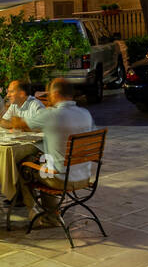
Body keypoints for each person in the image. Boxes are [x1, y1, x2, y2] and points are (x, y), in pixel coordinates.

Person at [19, 78, 96, 216]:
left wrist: (8, 121)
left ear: (54, 94)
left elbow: (21, 124)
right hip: (84, 176)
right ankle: (52, 212)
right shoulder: (86, 114)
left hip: (60, 180)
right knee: (45, 161)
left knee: (25, 166)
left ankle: (45, 215)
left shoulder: (52, 115)